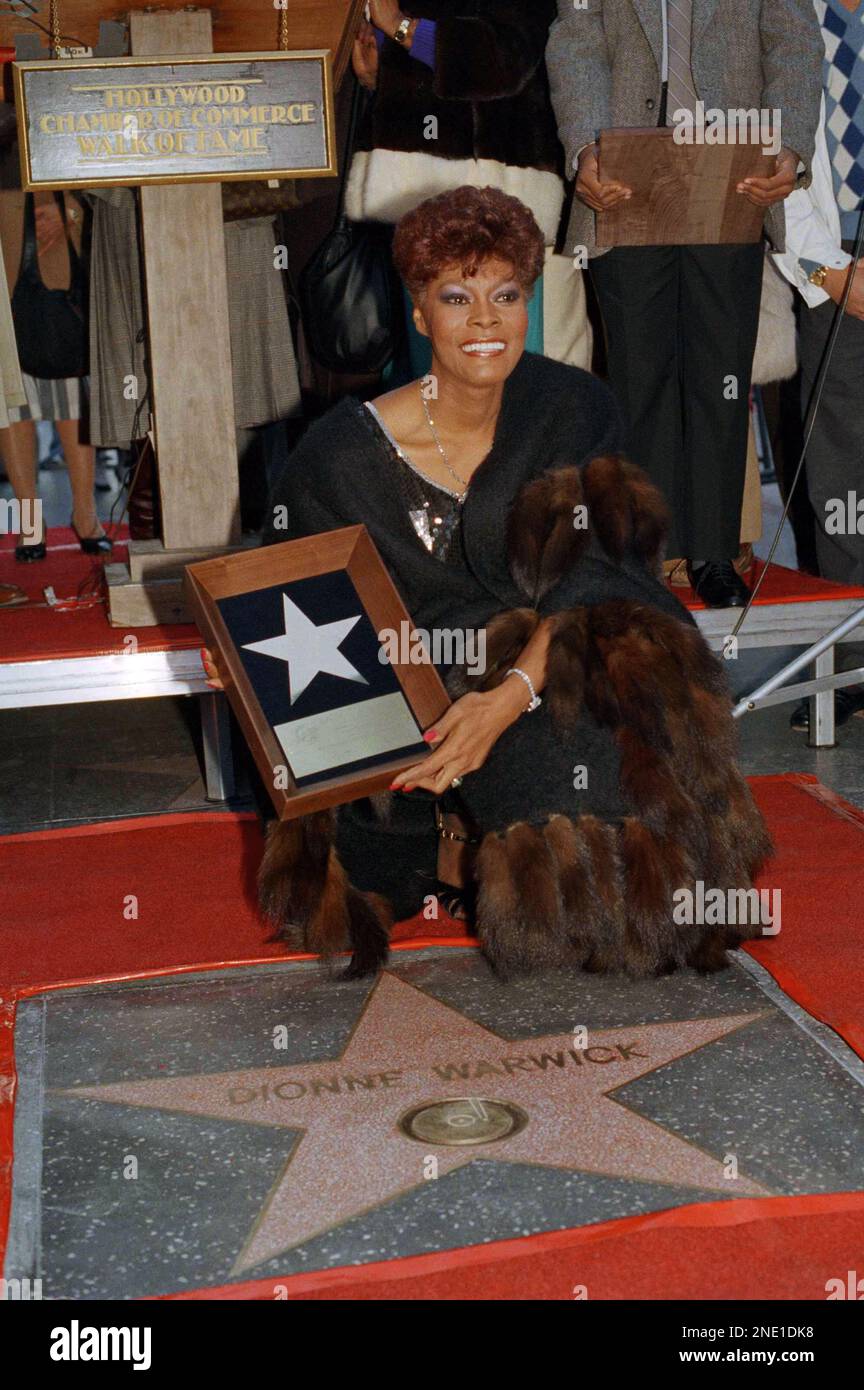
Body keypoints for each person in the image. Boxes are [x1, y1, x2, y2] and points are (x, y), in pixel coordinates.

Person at [207, 187, 771, 980]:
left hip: (548, 666)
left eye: (506, 295)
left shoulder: (572, 406)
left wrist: (506, 701)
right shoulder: (337, 455)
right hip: (411, 690)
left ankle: (475, 843)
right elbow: (293, 600)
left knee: (622, 896)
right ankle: (441, 847)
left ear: (529, 304)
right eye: (456, 296)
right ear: (418, 312)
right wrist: (245, 655)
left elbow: (607, 574)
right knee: (367, 883)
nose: (483, 320)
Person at [545, 0, 824, 607]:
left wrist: (792, 146)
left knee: (719, 375)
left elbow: (794, 40)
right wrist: (583, 150)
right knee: (639, 375)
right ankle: (648, 549)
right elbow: (576, 41)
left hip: (734, 173)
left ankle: (714, 551)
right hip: (624, 176)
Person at [349, 0, 592, 374]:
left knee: (536, 375)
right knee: (435, 375)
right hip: (421, 200)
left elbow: (504, 57)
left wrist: (400, 27)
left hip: (510, 199)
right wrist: (380, 70)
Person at [771, 0, 864, 733]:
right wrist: (830, 273)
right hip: (836, 282)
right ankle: (851, 667)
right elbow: (767, 167)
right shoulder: (783, 18)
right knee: (840, 483)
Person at [0, 189, 109, 561]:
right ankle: (29, 523)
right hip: (7, 220)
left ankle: (85, 513)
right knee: (10, 401)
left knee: (69, 389)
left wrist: (73, 211)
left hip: (46, 202)